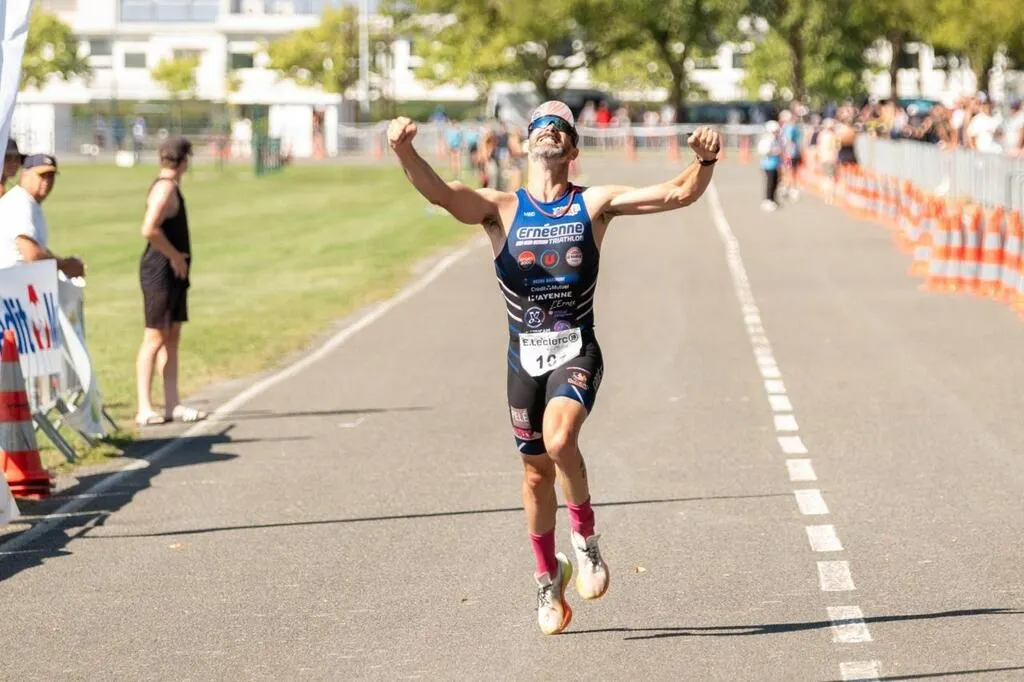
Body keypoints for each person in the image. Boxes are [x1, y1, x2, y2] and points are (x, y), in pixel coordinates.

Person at [387, 101, 721, 635]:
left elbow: (677, 193)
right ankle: (549, 578)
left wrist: (703, 163)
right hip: (524, 359)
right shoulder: (500, 208)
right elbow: (441, 194)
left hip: (575, 349)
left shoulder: (594, 204)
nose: (550, 133)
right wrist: (405, 150)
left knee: (560, 439)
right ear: (525, 144)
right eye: (541, 126)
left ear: (572, 149)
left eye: (561, 128)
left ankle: (585, 542)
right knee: (535, 473)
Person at [134, 136, 207, 427]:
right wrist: (175, 256)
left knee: (172, 337)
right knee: (154, 338)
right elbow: (149, 229)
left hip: (174, 273)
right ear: (185, 160)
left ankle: (172, 402)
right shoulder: (165, 189)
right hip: (160, 272)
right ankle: (144, 406)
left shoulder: (170, 186)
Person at [0, 153, 85, 276]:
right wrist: (65, 265)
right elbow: (31, 253)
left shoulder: (28, 202)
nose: (46, 181)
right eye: (41, 175)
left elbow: (35, 248)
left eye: (51, 176)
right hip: (10, 285)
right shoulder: (21, 204)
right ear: (26, 174)